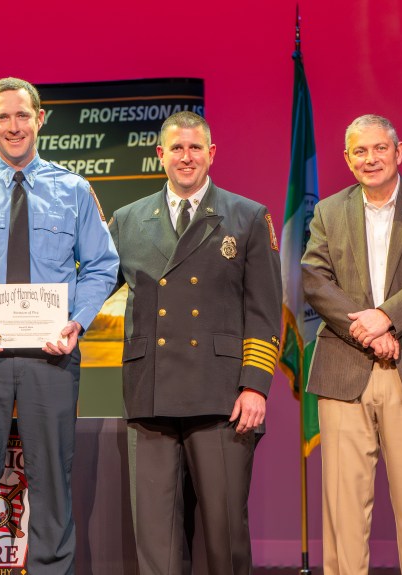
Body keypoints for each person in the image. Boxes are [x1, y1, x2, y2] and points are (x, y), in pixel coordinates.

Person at [0, 77, 119, 575]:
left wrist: (77, 322)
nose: (14, 126)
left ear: (40, 119)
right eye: (3, 117)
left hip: (51, 355)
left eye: (22, 115)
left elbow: (101, 265)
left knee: (52, 478)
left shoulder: (73, 190)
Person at [108, 111, 282, 574]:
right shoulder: (126, 221)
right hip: (151, 393)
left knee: (225, 539)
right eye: (177, 148)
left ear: (212, 154)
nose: (186, 157)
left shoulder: (247, 217)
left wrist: (255, 386)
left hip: (222, 394)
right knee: (156, 542)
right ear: (160, 155)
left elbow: (265, 313)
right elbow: (91, 290)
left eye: (196, 147)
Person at [301, 114, 402, 575]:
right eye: (359, 151)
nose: (370, 158)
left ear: (399, 152)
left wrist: (386, 317)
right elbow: (315, 279)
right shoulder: (328, 212)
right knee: (343, 513)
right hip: (343, 370)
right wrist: (369, 330)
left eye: (379, 149)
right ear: (348, 159)